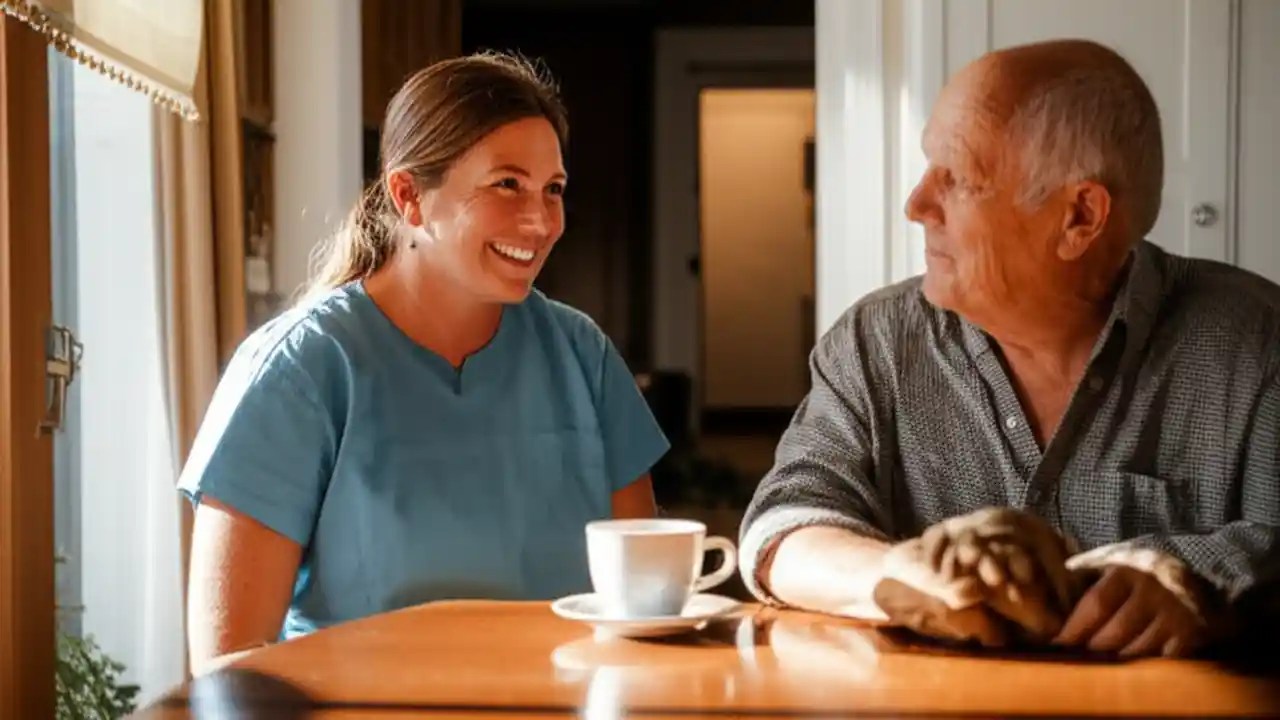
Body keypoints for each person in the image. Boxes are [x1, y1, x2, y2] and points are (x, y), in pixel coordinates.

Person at [739, 39, 1279, 658]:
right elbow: (783, 526)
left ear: (1080, 217)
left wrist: (1194, 583)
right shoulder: (876, 342)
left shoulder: (1258, 344)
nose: (916, 205)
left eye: (959, 179)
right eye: (926, 167)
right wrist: (897, 572)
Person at [179, 51, 669, 672]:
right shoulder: (301, 371)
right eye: (507, 184)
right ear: (408, 196)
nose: (541, 220)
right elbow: (228, 666)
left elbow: (644, 614)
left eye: (553, 190)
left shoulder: (582, 355)